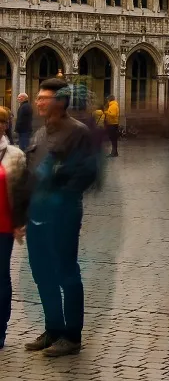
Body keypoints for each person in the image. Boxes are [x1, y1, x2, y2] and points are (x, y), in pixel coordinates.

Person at [24, 78, 98, 357]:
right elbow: (31, 173)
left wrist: (60, 189)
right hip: (36, 215)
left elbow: (87, 173)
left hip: (63, 213)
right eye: (38, 97)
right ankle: (53, 328)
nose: (39, 102)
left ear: (60, 101)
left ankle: (72, 336)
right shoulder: (39, 133)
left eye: (44, 98)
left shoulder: (78, 132)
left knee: (66, 273)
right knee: (42, 272)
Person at [0, 107, 29, 350]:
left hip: (3, 227)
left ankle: (0, 329)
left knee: (0, 277)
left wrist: (20, 222)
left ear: (4, 126)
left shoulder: (15, 155)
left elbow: (20, 194)